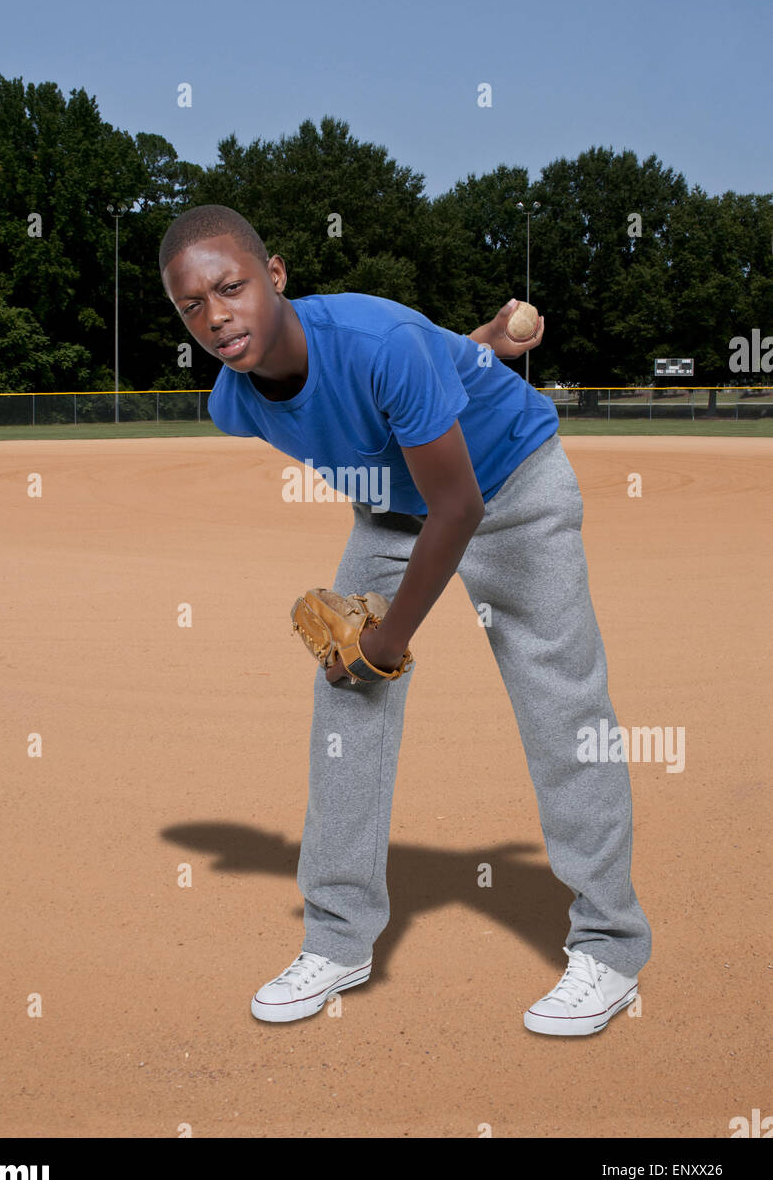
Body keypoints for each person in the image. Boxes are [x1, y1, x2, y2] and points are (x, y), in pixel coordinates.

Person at [159, 204, 652, 1036]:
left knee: (560, 700)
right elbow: (400, 393)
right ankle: (338, 936)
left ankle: (609, 945)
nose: (215, 317)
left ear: (274, 275)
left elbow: (454, 505)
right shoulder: (233, 402)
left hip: (509, 490)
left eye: (231, 287)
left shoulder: (373, 338)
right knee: (344, 703)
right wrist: (484, 343)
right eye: (191, 306)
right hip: (392, 513)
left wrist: (385, 643)